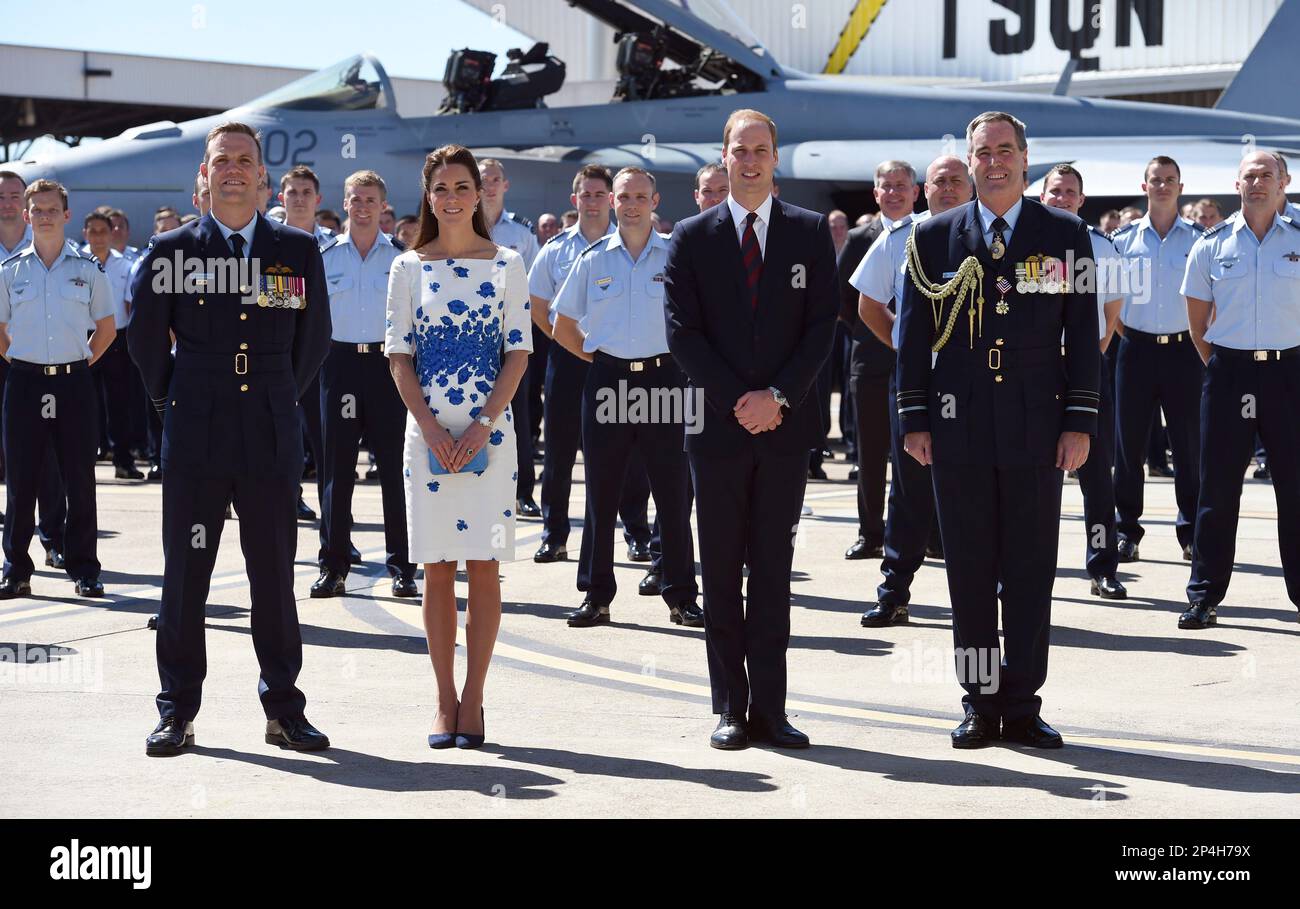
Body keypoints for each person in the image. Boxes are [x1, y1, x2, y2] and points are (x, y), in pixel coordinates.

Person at [129, 121, 332, 756]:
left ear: (263, 177)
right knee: (186, 572)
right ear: (204, 176)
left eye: (246, 161)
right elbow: (143, 340)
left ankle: (283, 708)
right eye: (223, 161)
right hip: (195, 430)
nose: (235, 170)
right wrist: (176, 401)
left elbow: (314, 339)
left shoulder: (297, 250)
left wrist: (276, 395)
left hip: (269, 433)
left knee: (272, 571)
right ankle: (177, 710)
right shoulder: (171, 252)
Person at [897, 111, 1099, 749]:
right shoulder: (932, 238)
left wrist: (1081, 420)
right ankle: (979, 703)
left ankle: (1023, 701)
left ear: (1026, 156)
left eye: (1005, 151)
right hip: (957, 426)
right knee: (969, 570)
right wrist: (913, 417)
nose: (995, 162)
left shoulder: (1065, 235)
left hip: (1039, 428)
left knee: (1033, 568)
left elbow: (1082, 337)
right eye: (983, 153)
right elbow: (911, 339)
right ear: (969, 160)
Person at [666, 109, 837, 750]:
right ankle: (729, 708)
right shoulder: (691, 235)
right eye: (741, 149)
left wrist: (778, 397)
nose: (751, 160)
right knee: (721, 567)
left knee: (772, 568)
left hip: (785, 431)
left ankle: (771, 706)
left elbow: (822, 327)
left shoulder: (810, 232)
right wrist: (741, 398)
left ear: (775, 155)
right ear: (725, 154)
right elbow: (683, 333)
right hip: (716, 430)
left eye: (762, 149)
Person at [385, 144, 532, 749]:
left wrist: (481, 426)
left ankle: (475, 699)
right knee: (437, 568)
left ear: (479, 193)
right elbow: (399, 356)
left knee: (485, 566)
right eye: (440, 188)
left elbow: (518, 352)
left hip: (489, 435)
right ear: (428, 194)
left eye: (462, 187)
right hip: (427, 437)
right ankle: (444, 701)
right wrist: (431, 428)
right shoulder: (407, 267)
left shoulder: (507, 263)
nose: (451, 197)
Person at [551, 167, 703, 631]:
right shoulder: (594, 259)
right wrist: (599, 358)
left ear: (655, 200)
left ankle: (680, 595)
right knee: (601, 492)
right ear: (612, 203)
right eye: (624, 197)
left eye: (641, 196)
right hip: (609, 382)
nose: (632, 204)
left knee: (674, 493)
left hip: (666, 380)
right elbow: (561, 323)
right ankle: (596, 596)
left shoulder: (678, 254)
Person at [1179, 152, 1300, 630]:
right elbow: (1197, 321)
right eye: (1249, 175)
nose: (1256, 182)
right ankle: (1204, 596)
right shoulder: (1211, 244)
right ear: (1236, 184)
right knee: (1218, 489)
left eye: (1265, 175)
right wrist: (1225, 366)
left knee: (1294, 488)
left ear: (1284, 182)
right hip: (1228, 371)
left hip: (1290, 373)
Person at [853, 156, 969, 626]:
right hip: (918, 384)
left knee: (978, 490)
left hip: (976, 384)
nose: (947, 189)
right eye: (938, 182)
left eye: (955, 181)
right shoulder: (903, 238)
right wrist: (904, 347)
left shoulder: (990, 238)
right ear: (927, 189)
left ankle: (989, 594)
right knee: (908, 490)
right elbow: (868, 303)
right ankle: (894, 591)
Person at [527, 165, 652, 582]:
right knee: (561, 450)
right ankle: (554, 532)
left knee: (633, 452)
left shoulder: (633, 245)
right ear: (574, 199)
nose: (594, 201)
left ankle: (636, 532)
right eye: (588, 194)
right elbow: (539, 307)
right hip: (570, 362)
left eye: (601, 193)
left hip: (620, 367)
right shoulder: (556, 250)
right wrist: (577, 348)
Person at [0, 178, 115, 600]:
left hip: (74, 383)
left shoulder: (87, 269)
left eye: (52, 209)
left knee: (80, 479)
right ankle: (16, 569)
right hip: (26, 382)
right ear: (27, 216)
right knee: (21, 480)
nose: (44, 216)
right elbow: (0, 331)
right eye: (37, 210)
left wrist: (80, 362)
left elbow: (106, 329)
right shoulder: (10, 271)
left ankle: (85, 569)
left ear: (67, 215)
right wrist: (25, 361)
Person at [311, 170, 417, 599]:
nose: (362, 207)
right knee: (337, 471)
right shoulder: (325, 256)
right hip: (338, 367)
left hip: (387, 368)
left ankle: (403, 567)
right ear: (346, 202)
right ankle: (334, 565)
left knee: (395, 469)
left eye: (370, 200)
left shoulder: (402, 259)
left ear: (383, 207)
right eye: (355, 199)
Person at [1110, 156, 1204, 563]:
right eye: (1156, 180)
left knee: (1188, 448)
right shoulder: (1123, 240)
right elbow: (1111, 303)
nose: (1163, 186)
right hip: (1136, 349)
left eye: (1170, 180)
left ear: (1180, 187)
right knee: (1128, 448)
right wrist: (1129, 334)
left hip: (1186, 351)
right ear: (1144, 186)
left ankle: (1191, 533)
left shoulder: (1200, 239)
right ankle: (1126, 530)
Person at [1040, 164, 1127, 599]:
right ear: (1042, 196)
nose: (1062, 198)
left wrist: (1093, 353)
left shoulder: (1100, 247)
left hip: (1085, 369)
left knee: (1097, 476)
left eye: (1069, 192)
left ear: (1081, 200)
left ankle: (1103, 566)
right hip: (1035, 371)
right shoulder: (1027, 245)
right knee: (1035, 478)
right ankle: (1033, 571)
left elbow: (1112, 306)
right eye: (1055, 191)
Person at [479, 158, 541, 518]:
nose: (488, 185)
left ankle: (523, 491)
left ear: (506, 185)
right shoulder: (460, 225)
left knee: (518, 411)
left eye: (494, 179)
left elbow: (530, 288)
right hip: (471, 334)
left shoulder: (520, 233)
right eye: (482, 179)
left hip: (509, 337)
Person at [278, 165, 334, 524]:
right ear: (280, 197)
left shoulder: (333, 244)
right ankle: (286, 506)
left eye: (305, 192)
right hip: (278, 355)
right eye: (292, 192)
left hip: (324, 356)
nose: (299, 199)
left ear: (318, 199)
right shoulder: (267, 239)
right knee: (281, 442)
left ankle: (333, 525)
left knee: (327, 444)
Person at [83, 211, 143, 480]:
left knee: (120, 403)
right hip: (83, 337)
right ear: (85, 234)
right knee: (85, 403)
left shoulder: (126, 264)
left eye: (102, 231)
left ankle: (123, 459)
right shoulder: (77, 262)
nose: (98, 236)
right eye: (92, 231)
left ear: (112, 233)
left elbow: (131, 304)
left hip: (117, 340)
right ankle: (85, 458)